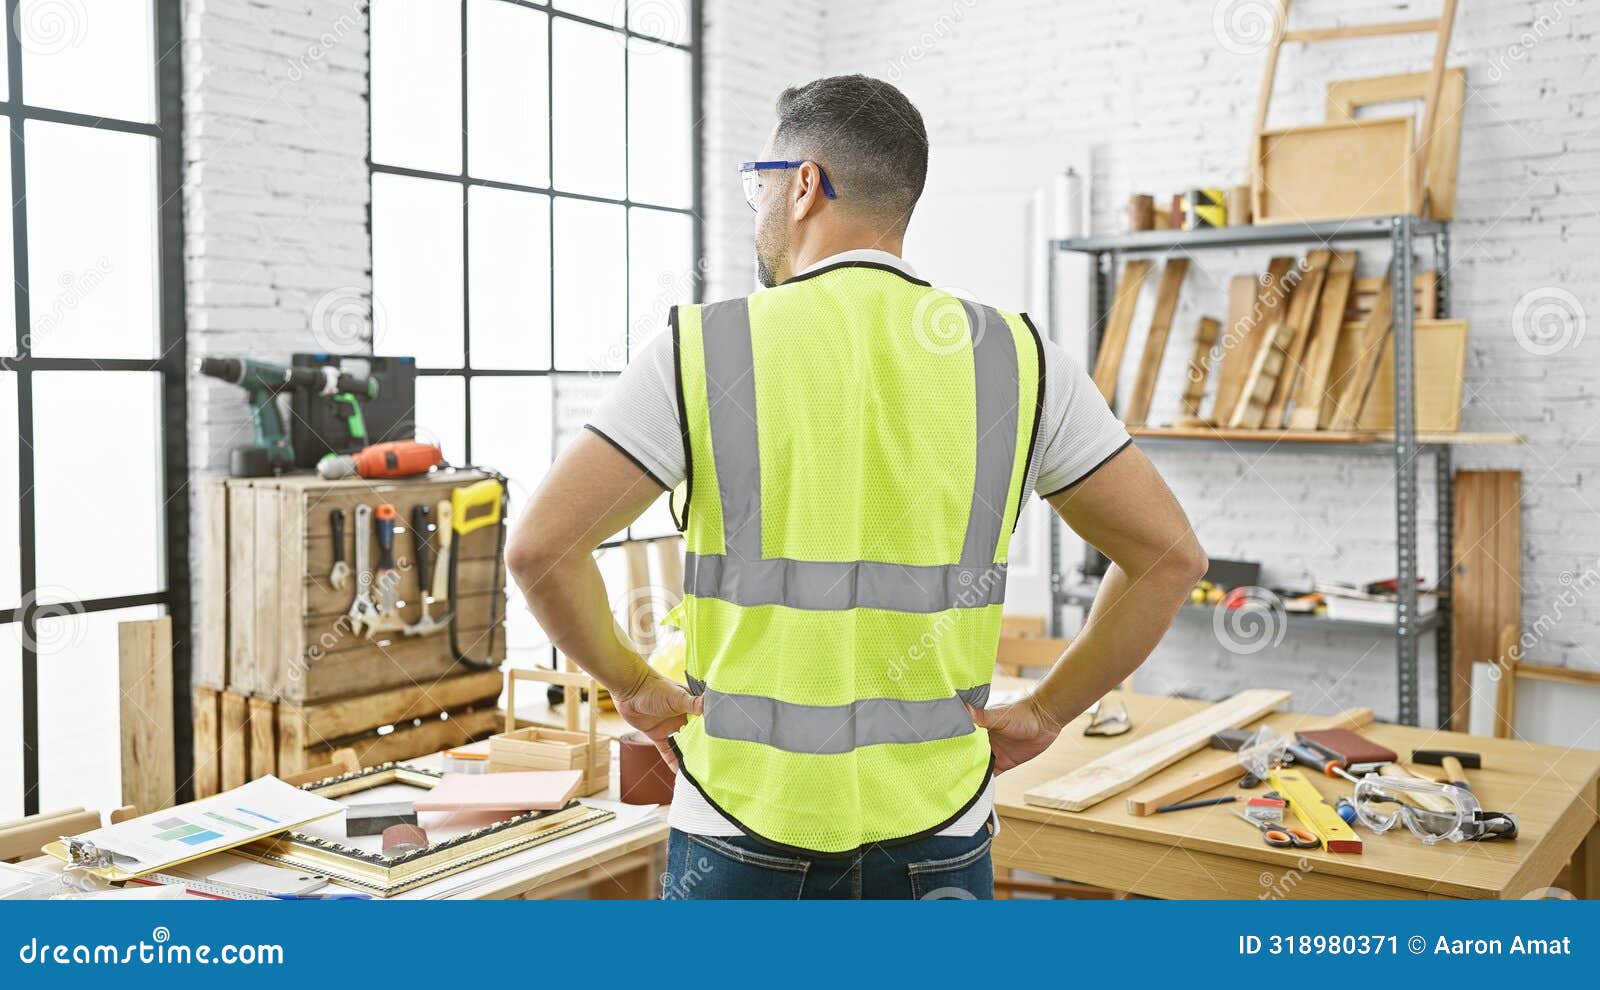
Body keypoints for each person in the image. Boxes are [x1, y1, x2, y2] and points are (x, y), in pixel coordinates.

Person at [507, 74, 1205, 899]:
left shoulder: (702, 349)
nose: (756, 206)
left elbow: (541, 550)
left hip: (740, 825)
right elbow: (1170, 560)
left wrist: (633, 687)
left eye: (759, 183)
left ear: (803, 184)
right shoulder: (1021, 358)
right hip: (938, 828)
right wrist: (1048, 713)